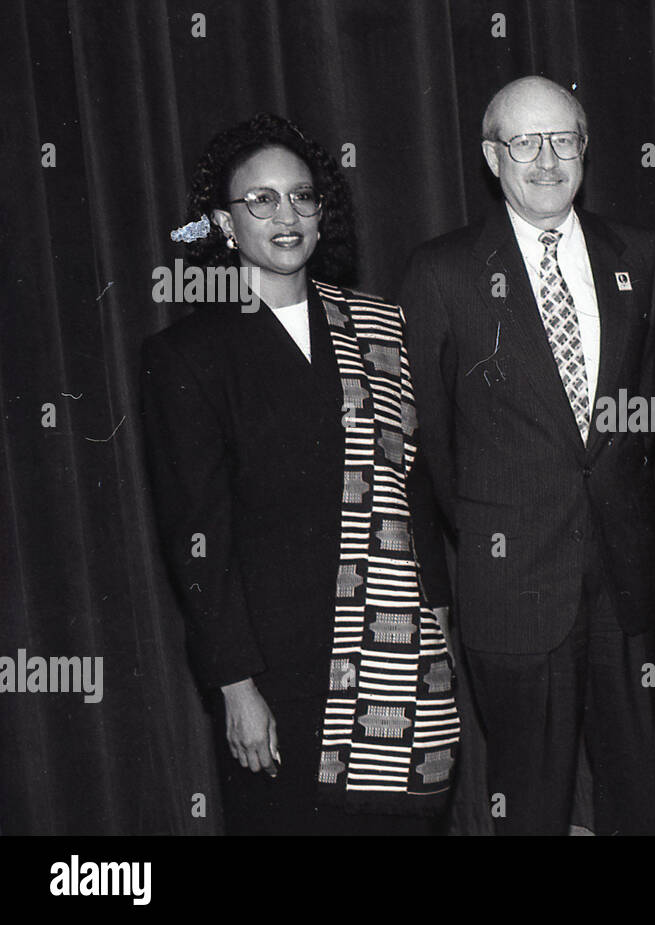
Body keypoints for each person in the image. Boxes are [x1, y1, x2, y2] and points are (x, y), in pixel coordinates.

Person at [141, 113, 458, 835]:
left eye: (302, 196)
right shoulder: (187, 356)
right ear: (224, 223)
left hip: (393, 647)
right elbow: (196, 539)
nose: (286, 216)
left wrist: (435, 618)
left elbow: (415, 495)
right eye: (261, 200)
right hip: (275, 666)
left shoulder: (380, 325)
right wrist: (235, 684)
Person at [399, 76, 655, 835]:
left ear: (583, 148)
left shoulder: (637, 254)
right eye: (525, 142)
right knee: (531, 801)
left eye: (563, 139)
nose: (546, 159)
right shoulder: (441, 271)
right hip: (511, 577)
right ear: (492, 156)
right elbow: (430, 441)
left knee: (633, 794)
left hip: (624, 571)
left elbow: (644, 404)